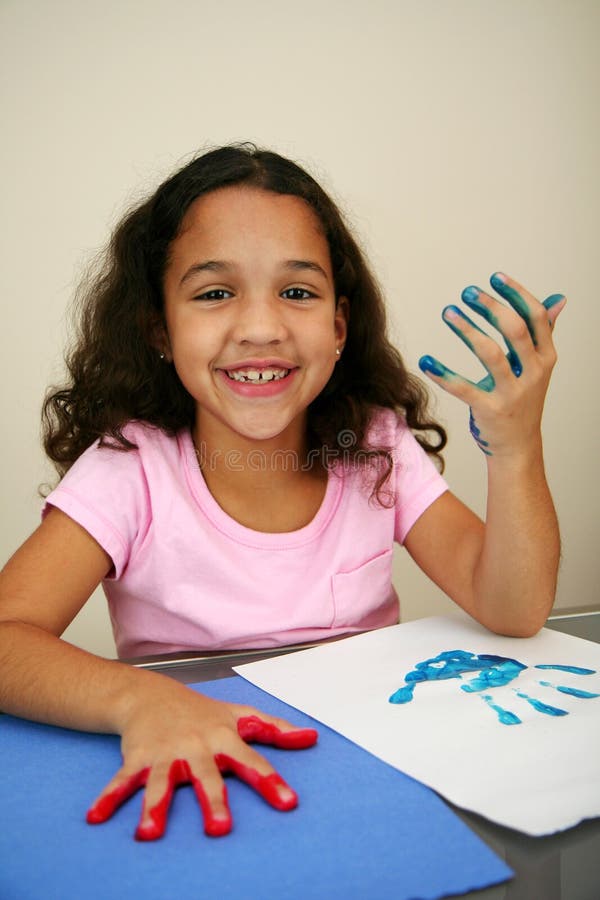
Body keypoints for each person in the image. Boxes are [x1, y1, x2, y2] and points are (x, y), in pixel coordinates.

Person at [0, 144, 565, 841]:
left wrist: (514, 448)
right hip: (197, 781)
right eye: (214, 293)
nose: (262, 327)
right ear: (159, 330)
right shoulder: (130, 470)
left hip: (366, 780)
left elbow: (512, 609)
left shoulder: (374, 448)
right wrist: (137, 698)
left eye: (297, 292)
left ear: (338, 326)